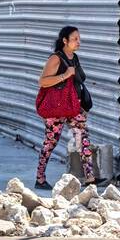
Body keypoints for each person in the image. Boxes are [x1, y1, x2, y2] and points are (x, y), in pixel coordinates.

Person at [35, 25, 94, 189]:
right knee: (50, 142)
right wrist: (64, 75)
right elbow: (43, 82)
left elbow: (77, 83)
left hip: (72, 107)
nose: (78, 42)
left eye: (79, 38)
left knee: (83, 138)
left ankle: (90, 178)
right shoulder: (55, 58)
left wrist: (82, 105)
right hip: (55, 109)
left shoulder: (74, 57)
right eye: (75, 39)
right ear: (64, 41)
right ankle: (40, 178)